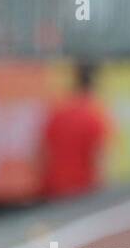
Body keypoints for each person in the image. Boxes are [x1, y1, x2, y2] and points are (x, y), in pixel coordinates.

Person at [41, 61, 112, 199]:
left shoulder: (58, 111)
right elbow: (98, 159)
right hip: (83, 192)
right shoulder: (97, 115)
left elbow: (41, 154)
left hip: (53, 189)